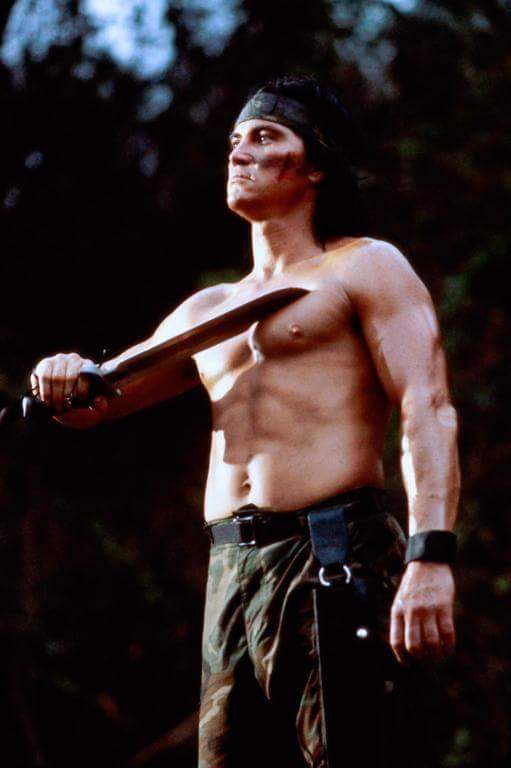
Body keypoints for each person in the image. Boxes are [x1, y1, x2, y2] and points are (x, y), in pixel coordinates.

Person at [31, 75, 460, 767]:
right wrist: (60, 374)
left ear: (315, 163)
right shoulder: (206, 312)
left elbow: (427, 406)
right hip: (231, 570)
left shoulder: (365, 267)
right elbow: (93, 406)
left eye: (265, 137)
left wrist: (429, 553)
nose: (239, 152)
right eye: (235, 140)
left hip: (332, 554)